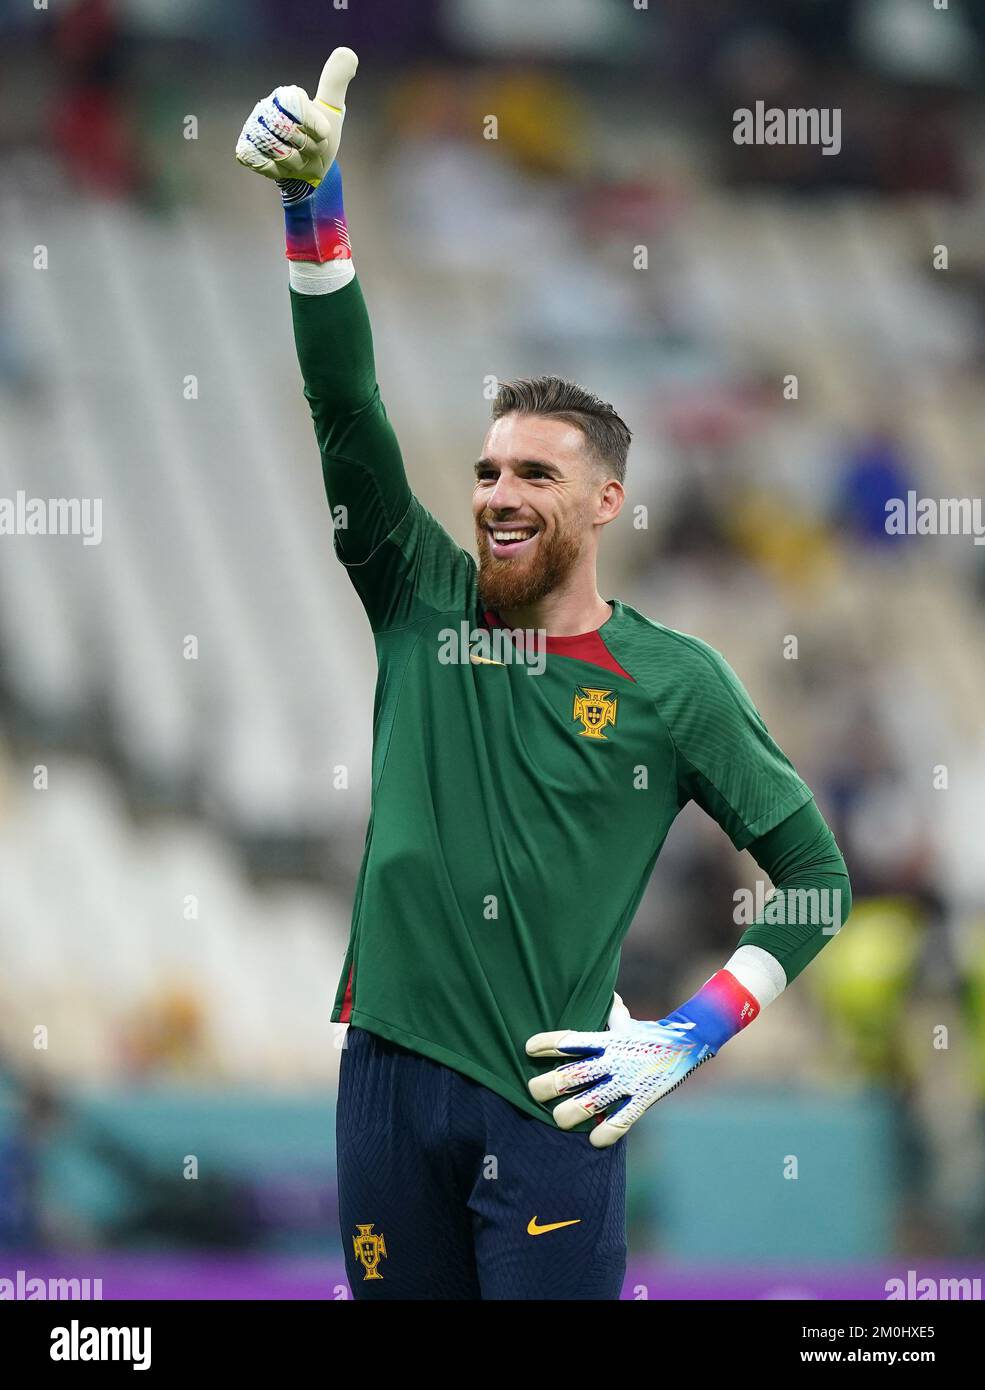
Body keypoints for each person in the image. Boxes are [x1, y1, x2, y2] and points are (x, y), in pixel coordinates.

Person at [235, 50, 852, 1301]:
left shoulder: (673, 684)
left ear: (607, 501)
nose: (496, 496)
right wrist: (315, 207)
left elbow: (816, 880)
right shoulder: (415, 597)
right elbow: (342, 401)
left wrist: (688, 1032)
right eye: (485, 473)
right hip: (387, 1077)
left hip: (559, 1098)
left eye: (534, 476)